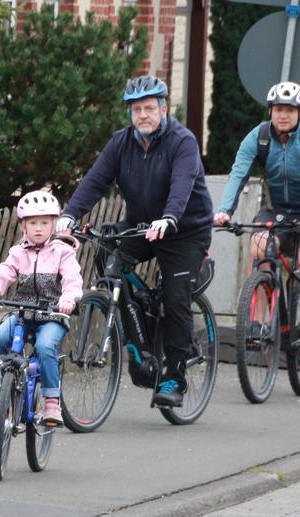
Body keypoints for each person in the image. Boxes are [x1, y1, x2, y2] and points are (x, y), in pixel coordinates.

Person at [60, 75, 214, 408]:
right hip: (142, 226)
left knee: (175, 298)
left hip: (183, 231)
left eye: (148, 108)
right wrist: (69, 216)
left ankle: (175, 374)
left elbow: (182, 185)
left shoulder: (182, 141)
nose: (142, 115)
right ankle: (139, 341)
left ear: (163, 108)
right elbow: (94, 181)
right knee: (107, 254)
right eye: (136, 109)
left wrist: (170, 217)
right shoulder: (121, 143)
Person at [214, 81, 300, 356]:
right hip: (277, 210)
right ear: (270, 111)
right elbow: (238, 173)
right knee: (259, 250)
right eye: (278, 109)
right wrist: (225, 211)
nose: (283, 115)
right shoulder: (258, 137)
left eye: (290, 110)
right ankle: (257, 323)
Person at [0, 190, 83, 427]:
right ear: (24, 226)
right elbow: (2, 275)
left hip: (53, 315)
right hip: (23, 313)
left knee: (44, 347)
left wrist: (68, 299)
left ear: (53, 224)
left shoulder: (63, 252)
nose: (39, 228)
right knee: (0, 338)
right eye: (33, 223)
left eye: (44, 223)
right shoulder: (18, 253)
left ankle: (51, 401)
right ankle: (2, 388)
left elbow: (73, 281)